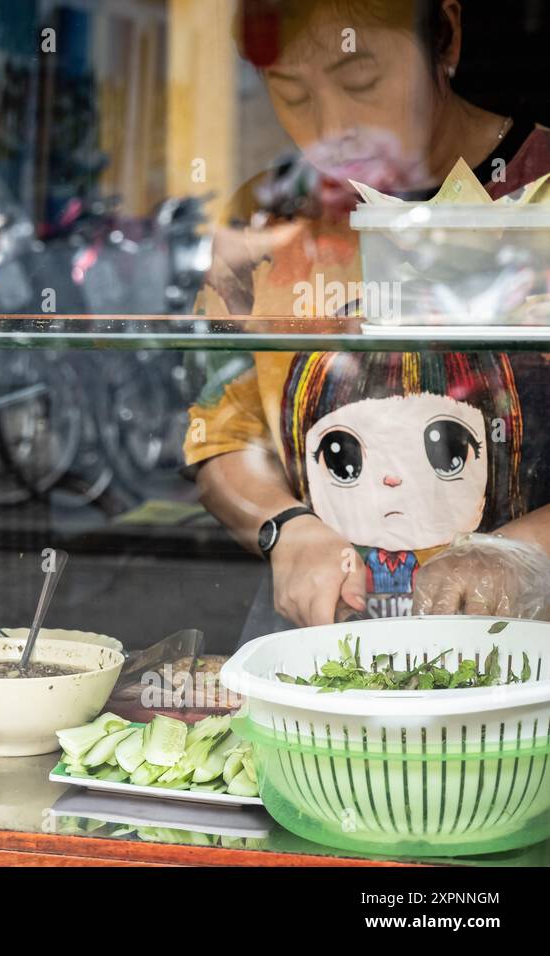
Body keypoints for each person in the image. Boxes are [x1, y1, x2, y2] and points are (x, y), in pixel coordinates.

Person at [184, 0, 550, 639]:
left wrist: (525, 551)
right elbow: (222, 432)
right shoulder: (267, 222)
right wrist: (285, 528)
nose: (331, 128)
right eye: (292, 94)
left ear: (447, 37)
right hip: (321, 639)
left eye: (361, 82)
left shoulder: (538, 189)